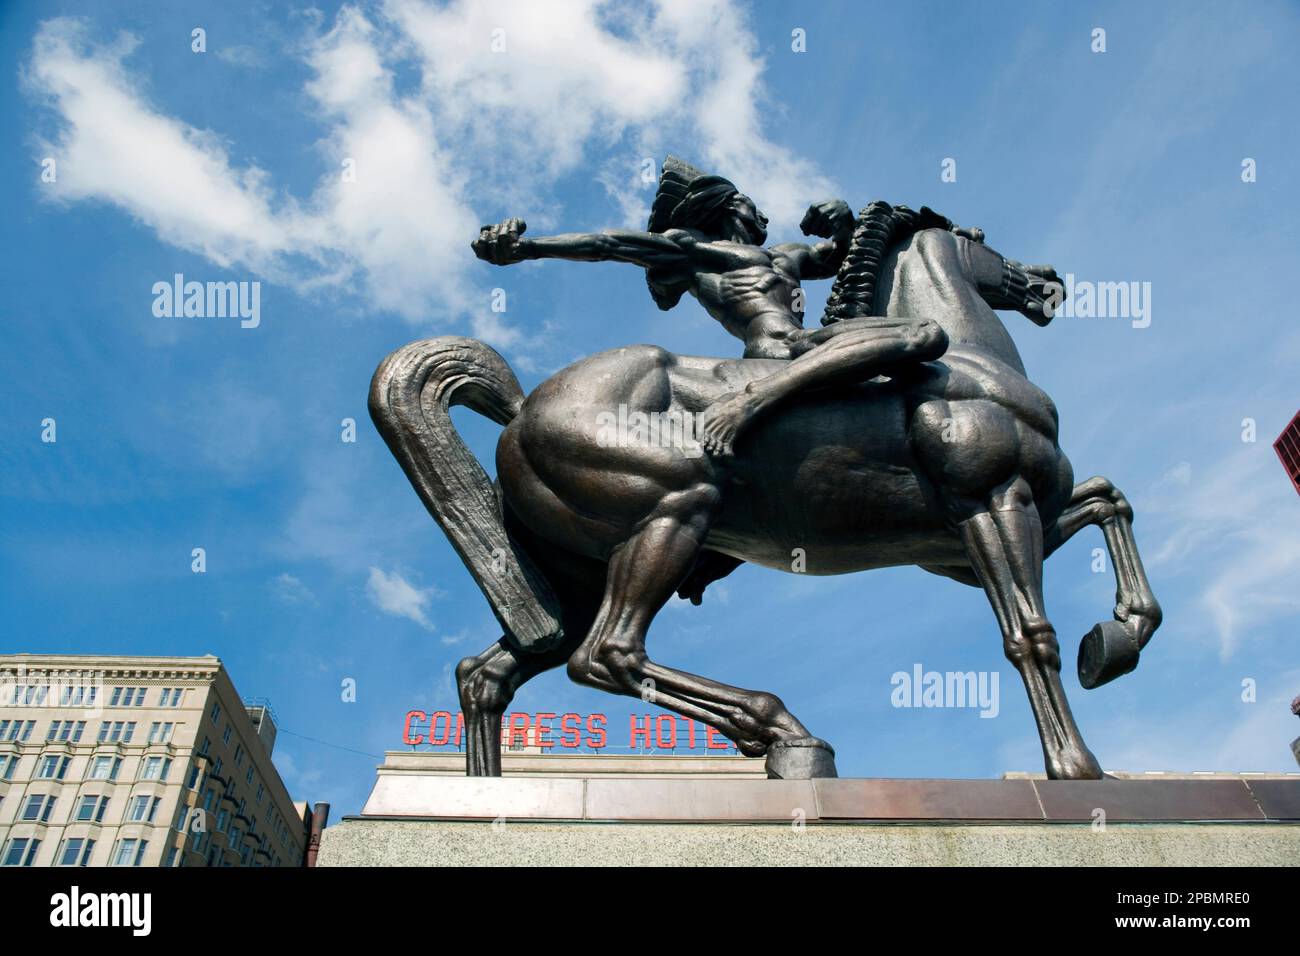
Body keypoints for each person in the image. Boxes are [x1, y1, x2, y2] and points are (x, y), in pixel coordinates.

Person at [471, 156, 948, 459]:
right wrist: (529, 248)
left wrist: (842, 219)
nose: (761, 214)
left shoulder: (786, 255)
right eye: (749, 205)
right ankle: (752, 399)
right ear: (725, 208)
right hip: (778, 352)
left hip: (813, 344)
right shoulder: (694, 250)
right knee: (924, 335)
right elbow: (608, 243)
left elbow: (846, 255)